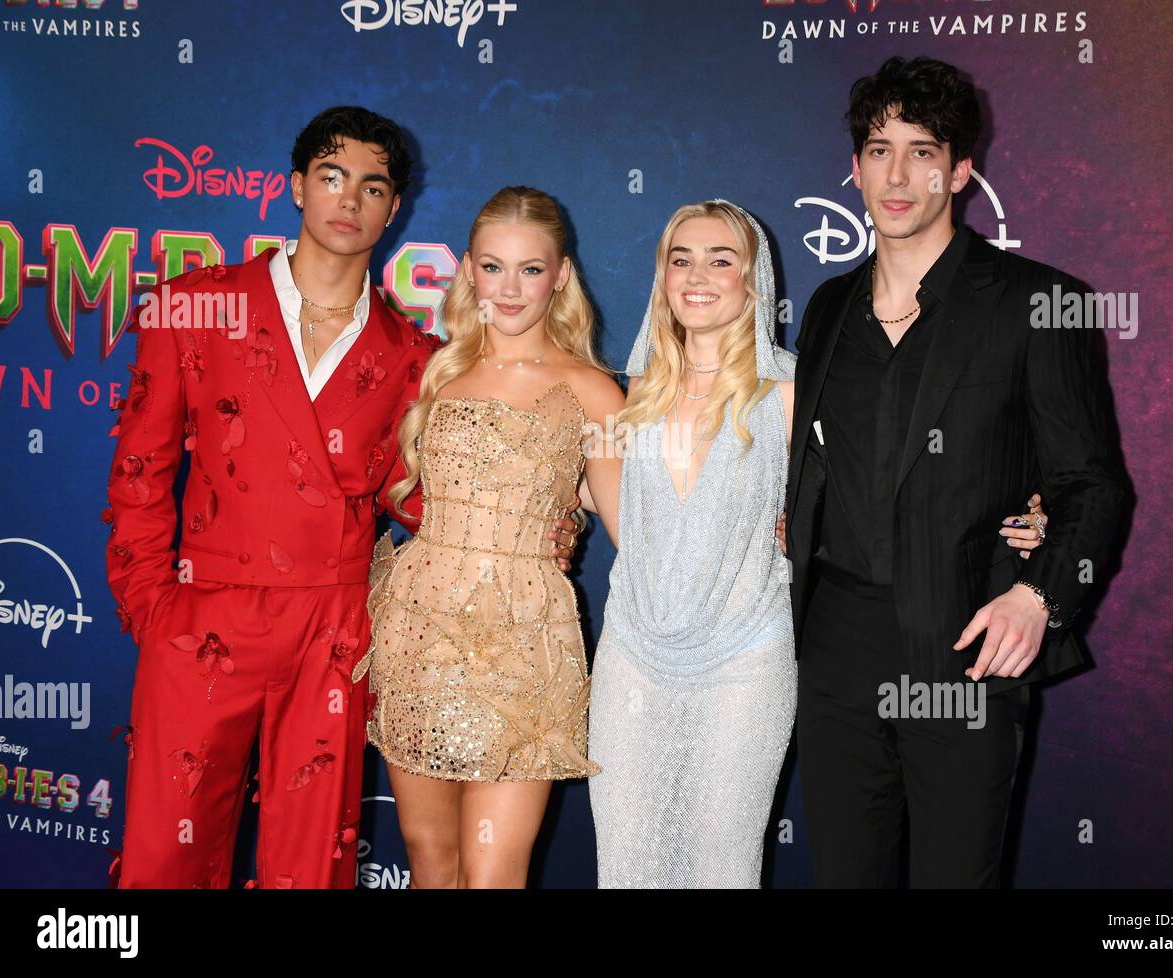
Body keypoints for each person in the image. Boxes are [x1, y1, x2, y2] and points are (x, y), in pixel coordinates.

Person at [103, 108, 580, 889]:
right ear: (295, 187)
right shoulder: (196, 305)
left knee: (310, 868)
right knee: (165, 857)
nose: (348, 200)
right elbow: (139, 474)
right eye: (331, 177)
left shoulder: (414, 357)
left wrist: (530, 530)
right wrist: (154, 611)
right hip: (201, 618)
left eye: (372, 185)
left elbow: (422, 498)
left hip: (334, 630)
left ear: (395, 210)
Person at [586, 199, 1050, 887]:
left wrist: (1023, 512)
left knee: (723, 864)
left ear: (755, 279)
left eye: (722, 259)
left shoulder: (797, 390)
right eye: (680, 259)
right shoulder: (622, 399)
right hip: (634, 651)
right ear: (661, 276)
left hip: (747, 657)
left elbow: (894, 479)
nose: (698, 275)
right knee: (625, 861)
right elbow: (629, 533)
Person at [785, 56, 1127, 887]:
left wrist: (1038, 595)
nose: (897, 175)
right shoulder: (829, 307)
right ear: (855, 166)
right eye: (878, 149)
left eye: (923, 151)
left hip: (966, 645)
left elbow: (1094, 484)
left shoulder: (1039, 301)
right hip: (834, 649)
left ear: (961, 169)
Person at [360, 186, 624, 889]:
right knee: (432, 864)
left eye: (530, 270)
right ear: (468, 270)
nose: (510, 289)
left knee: (493, 873)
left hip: (523, 643)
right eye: (493, 266)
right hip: (419, 632)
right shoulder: (436, 373)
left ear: (561, 275)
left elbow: (638, 531)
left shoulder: (594, 390)